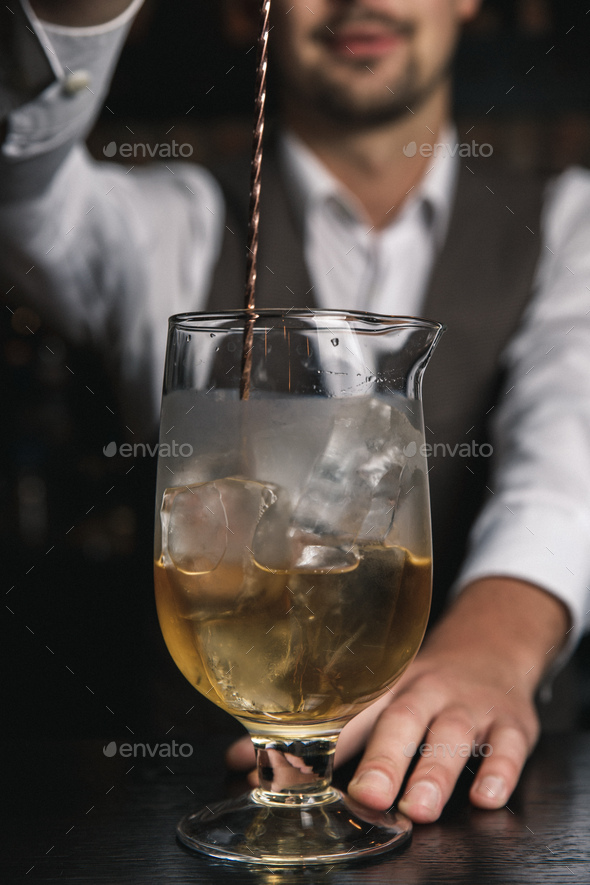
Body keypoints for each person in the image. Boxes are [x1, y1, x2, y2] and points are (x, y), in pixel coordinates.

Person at [1, 0, 589, 825]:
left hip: (473, 806)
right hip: (185, 810)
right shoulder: (167, 221)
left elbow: (570, 456)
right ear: (250, 12)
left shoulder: (565, 224)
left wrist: (495, 646)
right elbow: (18, 181)